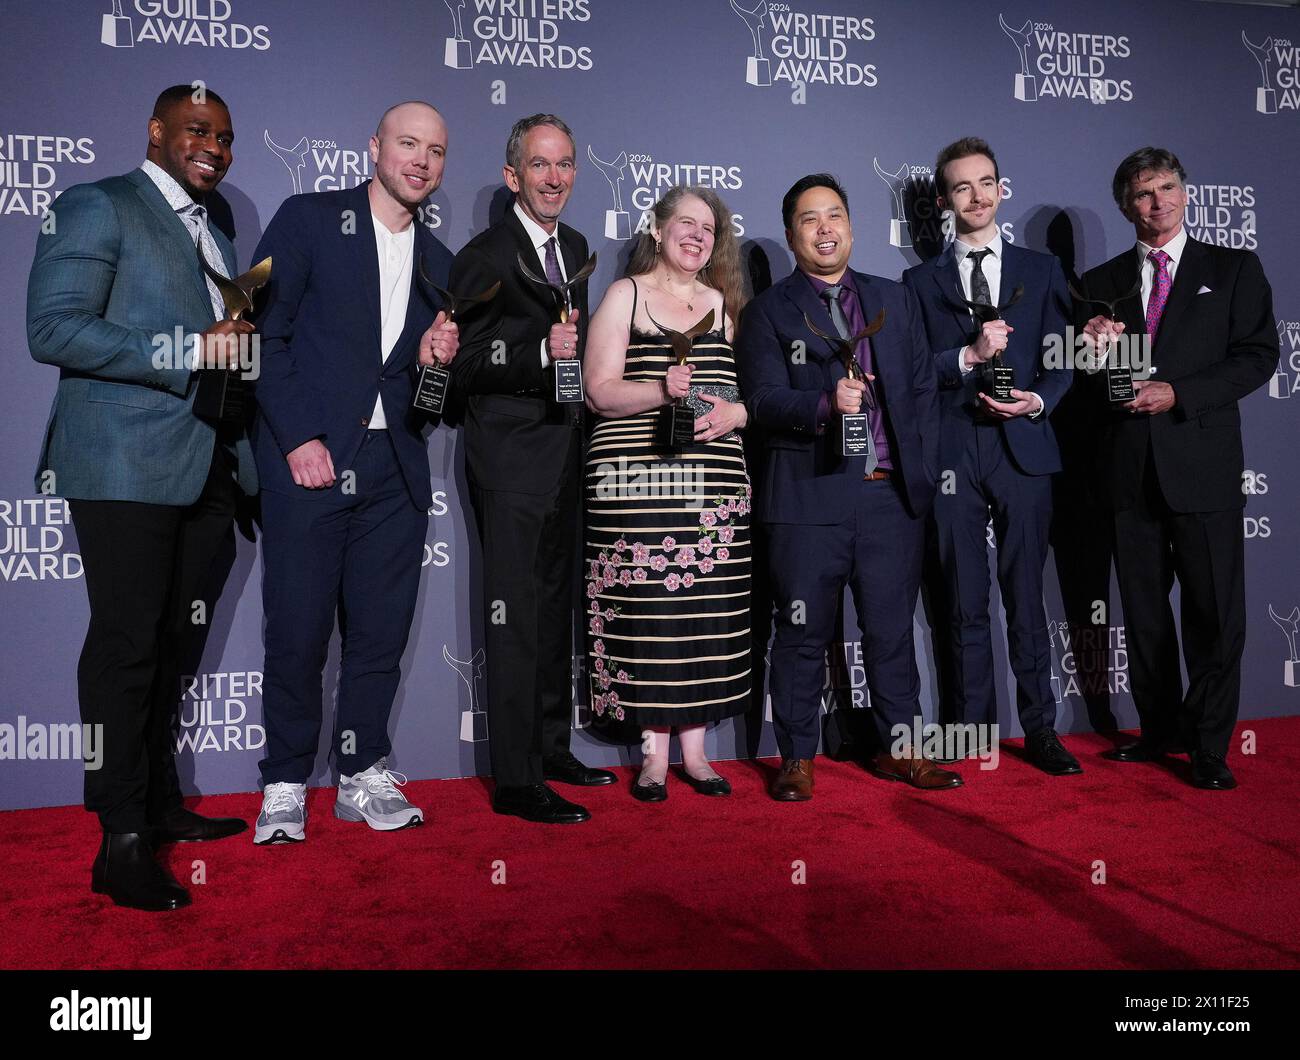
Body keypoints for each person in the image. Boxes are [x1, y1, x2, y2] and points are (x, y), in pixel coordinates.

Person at [27, 85, 258, 910]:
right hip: (122, 462)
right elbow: (51, 327)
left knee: (172, 645)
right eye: (199, 132)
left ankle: (159, 804)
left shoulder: (218, 223)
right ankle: (118, 837)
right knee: (126, 647)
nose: (215, 148)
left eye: (226, 138)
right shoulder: (96, 205)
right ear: (156, 131)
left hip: (208, 467)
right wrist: (190, 347)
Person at [250, 101, 459, 842]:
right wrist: (299, 437)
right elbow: (261, 337)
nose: (421, 160)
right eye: (408, 143)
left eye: (435, 150)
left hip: (394, 468)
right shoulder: (308, 219)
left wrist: (438, 368)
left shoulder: (442, 263)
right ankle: (282, 782)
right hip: (307, 459)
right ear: (374, 146)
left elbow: (436, 400)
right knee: (299, 632)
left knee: (378, 635)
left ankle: (361, 772)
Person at [737, 173, 959, 800]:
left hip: (889, 497)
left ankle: (902, 751)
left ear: (852, 227)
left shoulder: (894, 299)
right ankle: (798, 758)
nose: (825, 228)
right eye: (810, 219)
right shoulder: (769, 311)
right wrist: (824, 405)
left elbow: (920, 390)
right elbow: (761, 399)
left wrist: (918, 467)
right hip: (809, 500)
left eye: (835, 215)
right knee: (802, 632)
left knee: (891, 632)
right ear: (790, 235)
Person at [1079, 147, 1278, 790]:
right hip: (1129, 470)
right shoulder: (1100, 281)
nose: (1158, 201)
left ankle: (1209, 745)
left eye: (1167, 187)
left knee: (1216, 616)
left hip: (1204, 466)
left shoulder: (1234, 268)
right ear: (1125, 205)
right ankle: (1159, 729)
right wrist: (1092, 353)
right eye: (1143, 193)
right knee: (1143, 614)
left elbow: (1257, 358)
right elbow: (1087, 383)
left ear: (1185, 194)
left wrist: (1180, 393)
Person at [448, 114, 615, 824]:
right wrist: (539, 354)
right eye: (540, 166)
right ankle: (515, 779)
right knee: (514, 613)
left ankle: (550, 747)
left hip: (567, 449)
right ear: (514, 175)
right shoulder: (483, 254)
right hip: (510, 455)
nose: (555, 178)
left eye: (566, 164)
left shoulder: (574, 247)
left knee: (553, 609)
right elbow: (461, 362)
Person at [902, 137, 1080, 776]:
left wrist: (1037, 401)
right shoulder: (920, 283)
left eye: (986, 184)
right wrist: (967, 357)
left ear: (1002, 189)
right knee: (961, 598)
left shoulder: (1044, 268)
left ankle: (1040, 731)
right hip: (953, 449)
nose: (975, 197)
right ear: (945, 201)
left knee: (1026, 598)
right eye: (960, 187)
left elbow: (1064, 357)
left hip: (1024, 448)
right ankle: (969, 731)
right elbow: (918, 372)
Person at [583, 186, 752, 801]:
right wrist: (661, 388)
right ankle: (653, 758)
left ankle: (697, 755)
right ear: (656, 228)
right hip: (636, 481)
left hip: (713, 487)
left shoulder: (724, 306)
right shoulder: (624, 295)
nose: (697, 236)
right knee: (651, 611)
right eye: (685, 223)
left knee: (702, 611)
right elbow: (598, 391)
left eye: (708, 229)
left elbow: (742, 395)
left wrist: (737, 414)